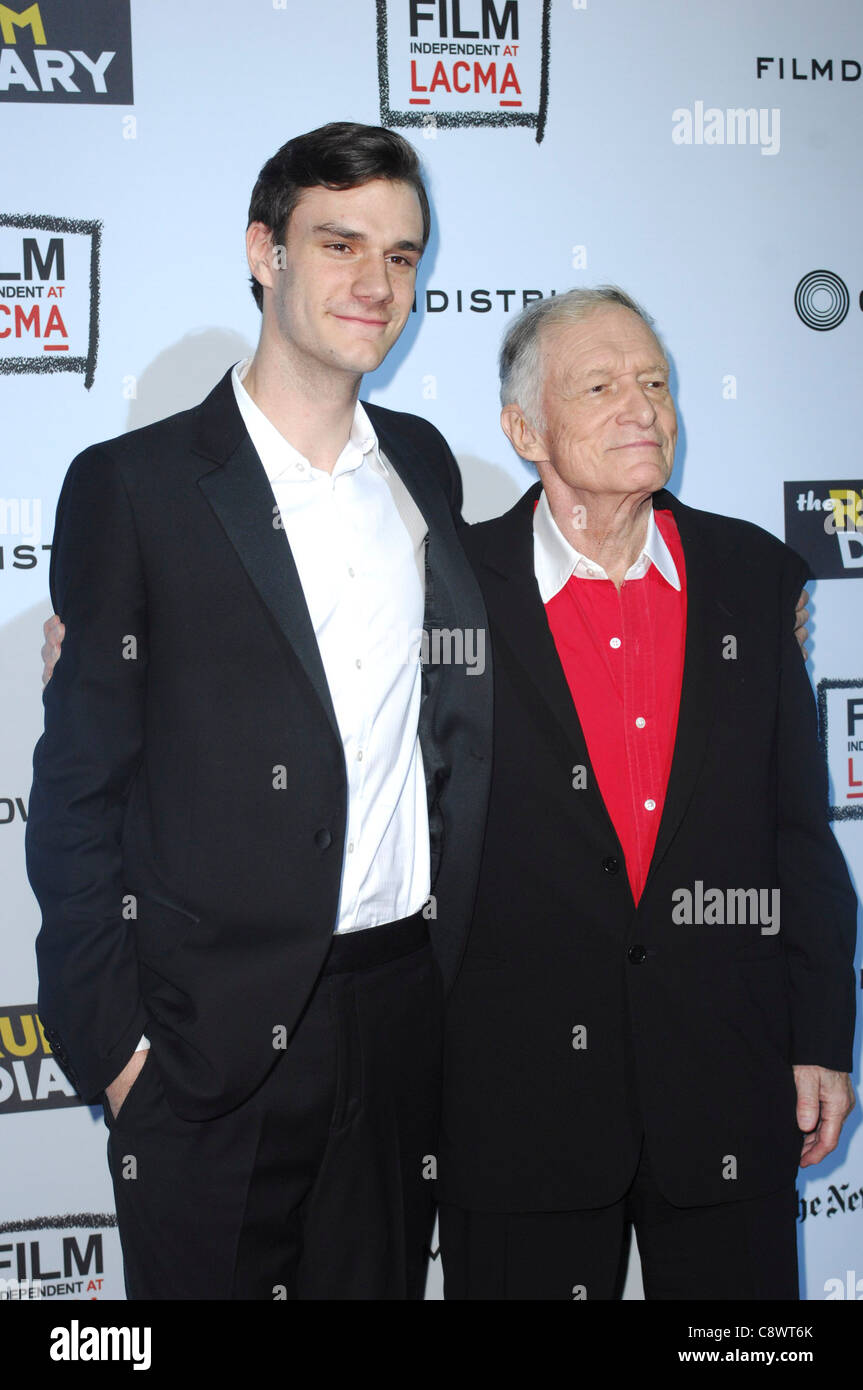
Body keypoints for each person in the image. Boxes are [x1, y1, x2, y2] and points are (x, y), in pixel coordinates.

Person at [25, 122, 492, 1300]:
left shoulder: (426, 470)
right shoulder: (132, 486)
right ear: (262, 251)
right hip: (203, 1042)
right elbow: (77, 792)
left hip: (397, 1022)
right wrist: (120, 1050)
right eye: (339, 243)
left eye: (401, 253)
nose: (375, 283)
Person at [435, 286, 857, 1300]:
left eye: (654, 382)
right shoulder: (447, 583)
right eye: (599, 385)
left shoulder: (752, 575)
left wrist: (817, 1038)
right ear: (522, 427)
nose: (642, 407)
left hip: (724, 1079)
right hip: (515, 1099)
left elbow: (797, 828)